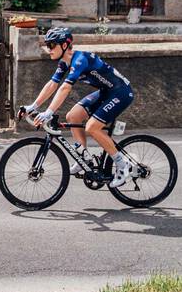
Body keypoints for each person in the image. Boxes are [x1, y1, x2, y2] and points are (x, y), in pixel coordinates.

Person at [20, 27, 134, 188]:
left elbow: (65, 88)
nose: (48, 49)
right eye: (47, 45)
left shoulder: (80, 59)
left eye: (52, 45)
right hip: (106, 92)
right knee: (73, 116)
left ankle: (123, 165)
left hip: (121, 92)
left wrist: (49, 112)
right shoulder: (64, 63)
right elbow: (52, 84)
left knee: (92, 127)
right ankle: (84, 158)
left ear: (65, 45)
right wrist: (32, 106)